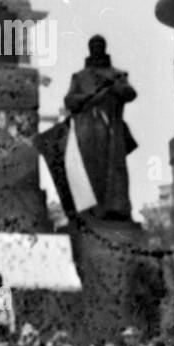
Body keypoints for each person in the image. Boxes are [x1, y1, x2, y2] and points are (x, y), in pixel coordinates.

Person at [63, 35, 138, 221]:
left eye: (99, 45)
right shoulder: (80, 77)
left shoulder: (117, 74)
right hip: (88, 131)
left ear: (104, 48)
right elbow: (70, 100)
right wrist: (88, 97)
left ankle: (117, 209)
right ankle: (91, 210)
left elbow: (130, 93)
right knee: (90, 170)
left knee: (115, 171)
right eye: (93, 46)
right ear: (89, 49)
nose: (96, 49)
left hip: (112, 130)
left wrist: (114, 88)